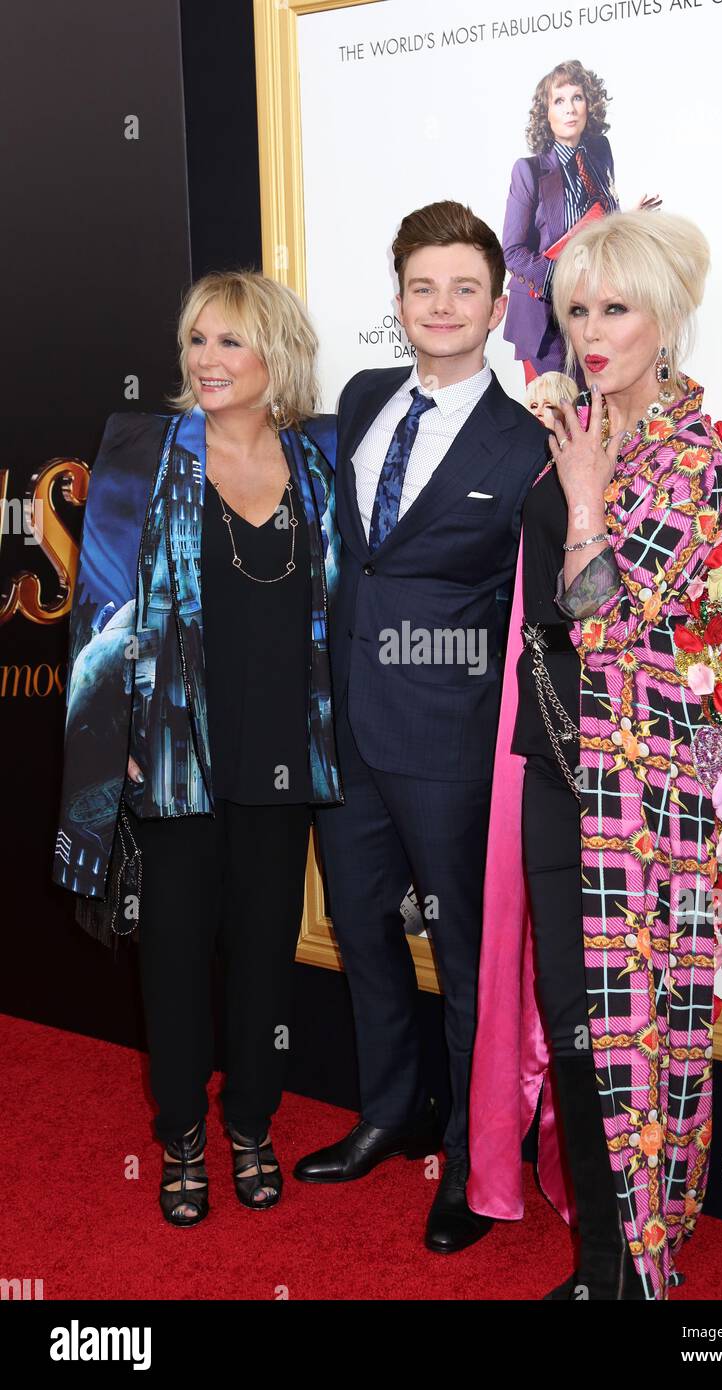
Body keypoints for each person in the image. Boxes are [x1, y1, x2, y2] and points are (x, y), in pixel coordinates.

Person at [467, 210, 722, 1299]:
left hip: (642, 786)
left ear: (663, 318)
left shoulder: (695, 453)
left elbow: (608, 622)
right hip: (552, 763)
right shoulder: (575, 420)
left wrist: (583, 500)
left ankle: (634, 1264)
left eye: (612, 309)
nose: (587, 329)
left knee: (638, 1022)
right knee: (576, 1025)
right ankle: (601, 1259)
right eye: (574, 307)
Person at [52, 270, 342, 1226]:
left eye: (229, 342)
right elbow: (98, 615)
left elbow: (340, 611)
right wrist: (115, 744)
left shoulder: (318, 464)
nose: (206, 362)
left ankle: (251, 1122)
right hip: (171, 754)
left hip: (282, 757)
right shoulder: (141, 453)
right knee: (174, 957)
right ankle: (181, 1135)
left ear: (277, 357)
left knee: (263, 953)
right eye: (196, 342)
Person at [293, 201, 550, 1254]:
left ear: (497, 303)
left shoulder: (528, 438)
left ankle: (474, 1157)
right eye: (420, 286)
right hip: (344, 728)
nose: (440, 306)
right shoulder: (357, 401)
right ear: (397, 300)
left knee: (465, 956)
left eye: (463, 288)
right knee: (361, 932)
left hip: (451, 743)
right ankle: (393, 1111)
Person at [502, 59, 660, 387]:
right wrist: (563, 280)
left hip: (590, 306)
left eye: (577, 98)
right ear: (545, 113)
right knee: (558, 408)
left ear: (589, 104)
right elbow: (512, 252)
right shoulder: (528, 170)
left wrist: (629, 222)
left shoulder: (599, 154)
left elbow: (599, 222)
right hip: (543, 312)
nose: (570, 108)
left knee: (594, 404)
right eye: (559, 100)